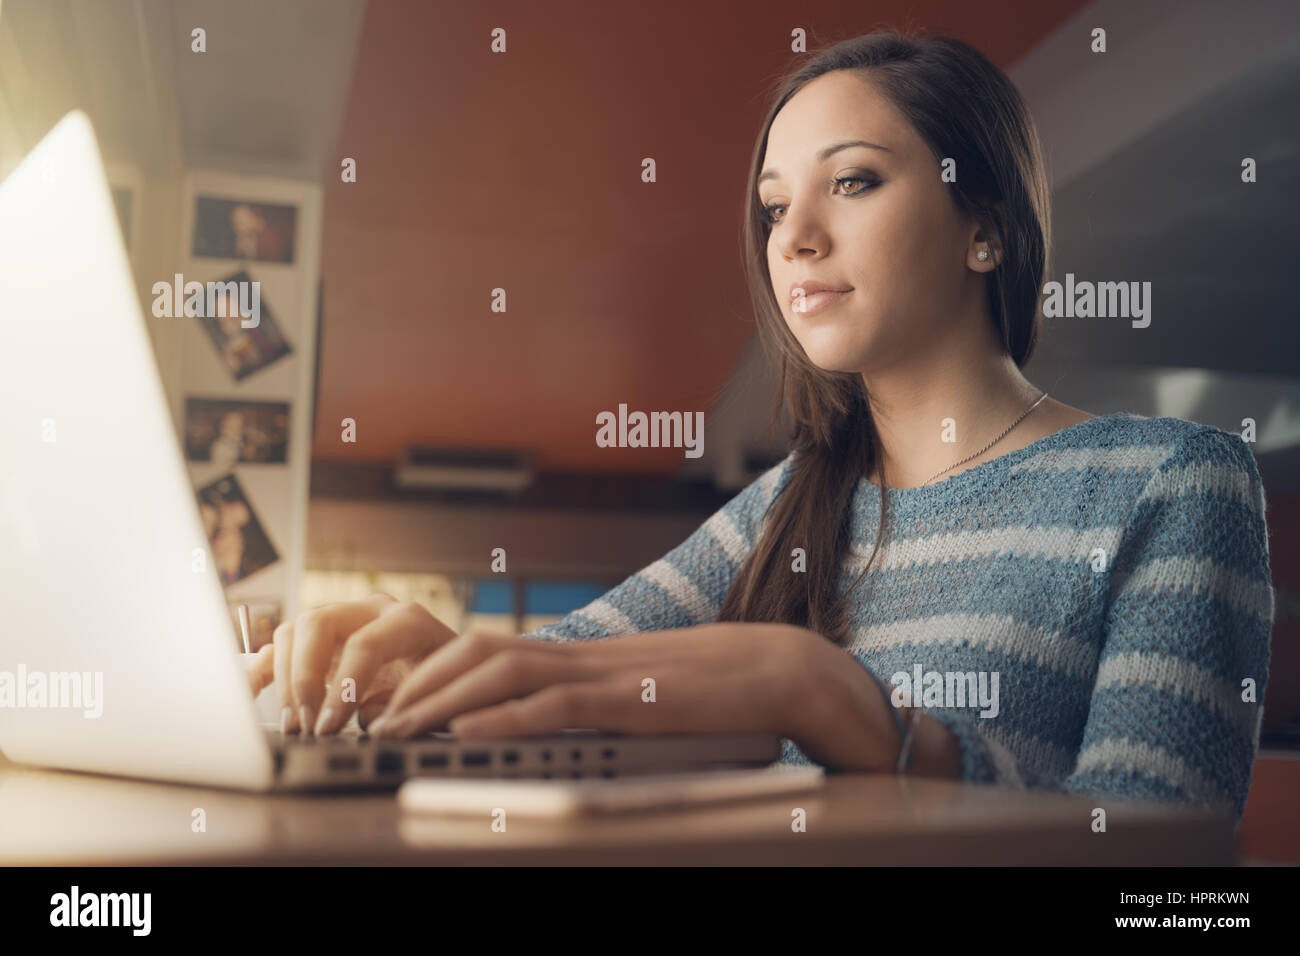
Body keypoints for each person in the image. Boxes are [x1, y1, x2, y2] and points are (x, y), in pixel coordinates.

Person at [246, 30, 1273, 823]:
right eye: (774, 207)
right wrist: (426, 654)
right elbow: (563, 669)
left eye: (854, 181)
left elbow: (1163, 875)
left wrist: (856, 714)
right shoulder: (785, 505)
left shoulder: (1173, 480)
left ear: (986, 230)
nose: (795, 237)